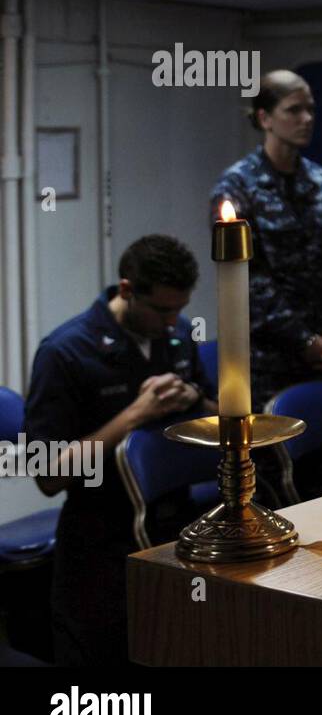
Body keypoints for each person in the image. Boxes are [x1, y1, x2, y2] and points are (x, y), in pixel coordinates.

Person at [23, 235, 217, 666]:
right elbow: (47, 476)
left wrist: (193, 400)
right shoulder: (66, 352)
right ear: (127, 290)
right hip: (100, 537)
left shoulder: (179, 335)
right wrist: (134, 415)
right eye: (163, 310)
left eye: (180, 309)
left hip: (176, 525)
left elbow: (222, 416)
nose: (174, 322)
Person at [210, 69, 322, 415]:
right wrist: (302, 339)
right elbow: (247, 278)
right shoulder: (238, 186)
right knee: (271, 460)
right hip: (270, 359)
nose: (306, 119)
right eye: (294, 110)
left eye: (310, 109)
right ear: (264, 118)